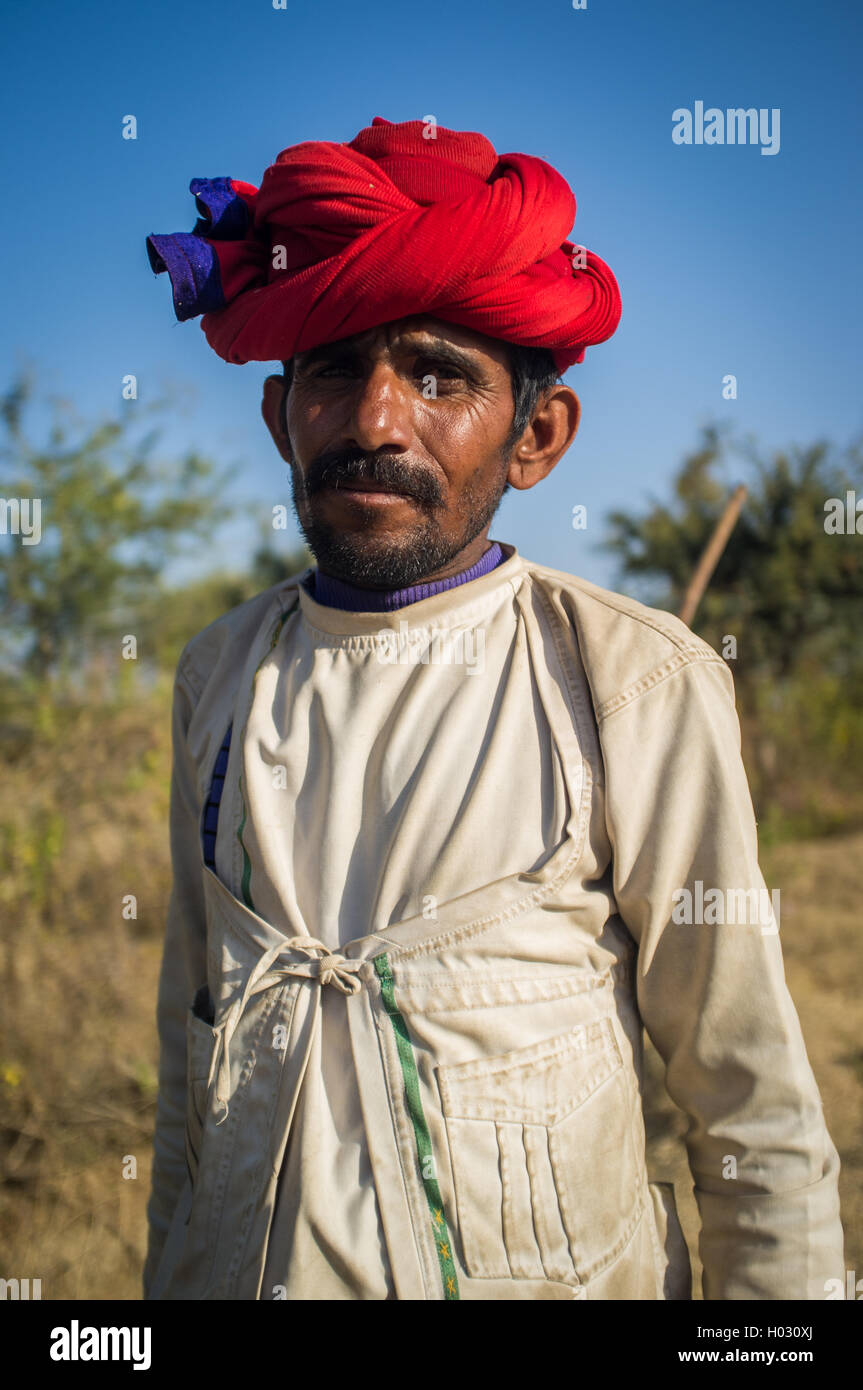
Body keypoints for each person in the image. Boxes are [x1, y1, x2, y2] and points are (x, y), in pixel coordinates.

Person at [142, 116, 843, 1301]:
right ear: (280, 417)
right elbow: (188, 1064)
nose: (374, 421)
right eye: (332, 369)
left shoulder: (632, 679)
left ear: (537, 437)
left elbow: (747, 1103)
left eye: (437, 375)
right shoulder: (221, 674)